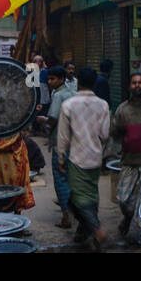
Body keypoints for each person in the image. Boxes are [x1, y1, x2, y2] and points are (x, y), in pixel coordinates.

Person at [57, 67, 112, 250]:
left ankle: (97, 230)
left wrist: (61, 157)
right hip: (95, 156)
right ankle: (86, 232)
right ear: (95, 82)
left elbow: (63, 136)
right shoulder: (103, 105)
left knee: (78, 200)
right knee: (91, 195)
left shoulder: (69, 105)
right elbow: (105, 135)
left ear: (78, 81)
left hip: (77, 158)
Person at [110, 71, 141, 246]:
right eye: (134, 83)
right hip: (129, 161)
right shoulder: (122, 109)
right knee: (123, 200)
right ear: (129, 86)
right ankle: (127, 217)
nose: (137, 85)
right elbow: (115, 134)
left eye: (140, 82)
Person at [45, 66, 76, 229]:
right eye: (49, 79)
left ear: (62, 79)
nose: (50, 82)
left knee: (61, 179)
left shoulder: (58, 95)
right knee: (72, 178)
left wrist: (43, 122)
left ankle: (66, 216)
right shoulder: (73, 93)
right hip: (76, 142)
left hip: (61, 143)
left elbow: (52, 119)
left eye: (53, 79)